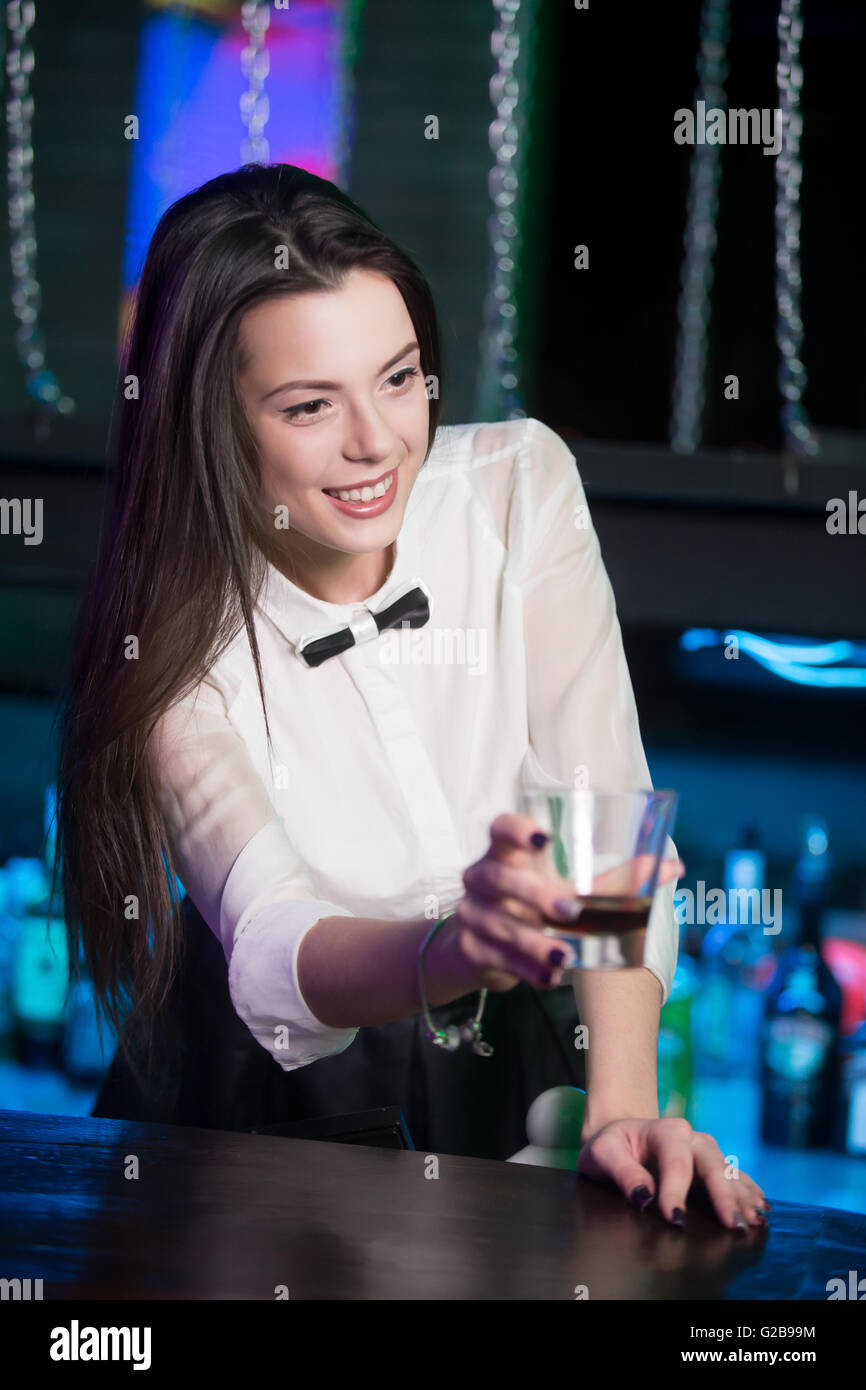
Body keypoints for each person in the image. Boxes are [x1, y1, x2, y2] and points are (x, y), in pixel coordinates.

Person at [56, 163, 768, 1232]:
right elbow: (275, 937)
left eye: (397, 379)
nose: (377, 441)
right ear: (208, 422)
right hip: (262, 1107)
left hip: (522, 1061)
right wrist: (447, 947)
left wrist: (622, 1107)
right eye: (308, 405)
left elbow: (602, 814)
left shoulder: (516, 488)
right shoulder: (168, 649)